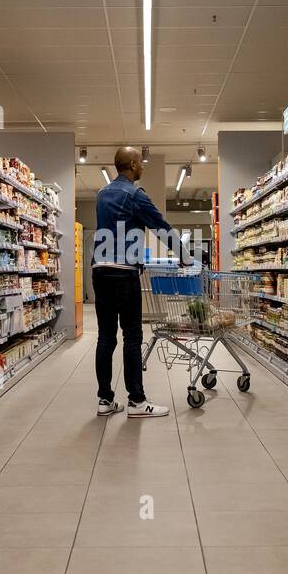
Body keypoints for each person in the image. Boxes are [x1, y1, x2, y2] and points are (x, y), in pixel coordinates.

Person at [90, 147, 174, 417]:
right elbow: (160, 225)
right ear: (134, 164)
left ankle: (105, 400)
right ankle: (137, 402)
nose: (144, 167)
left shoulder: (101, 194)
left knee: (105, 336)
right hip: (123, 272)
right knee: (133, 336)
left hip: (100, 270)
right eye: (142, 162)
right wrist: (185, 255)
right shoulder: (135, 195)